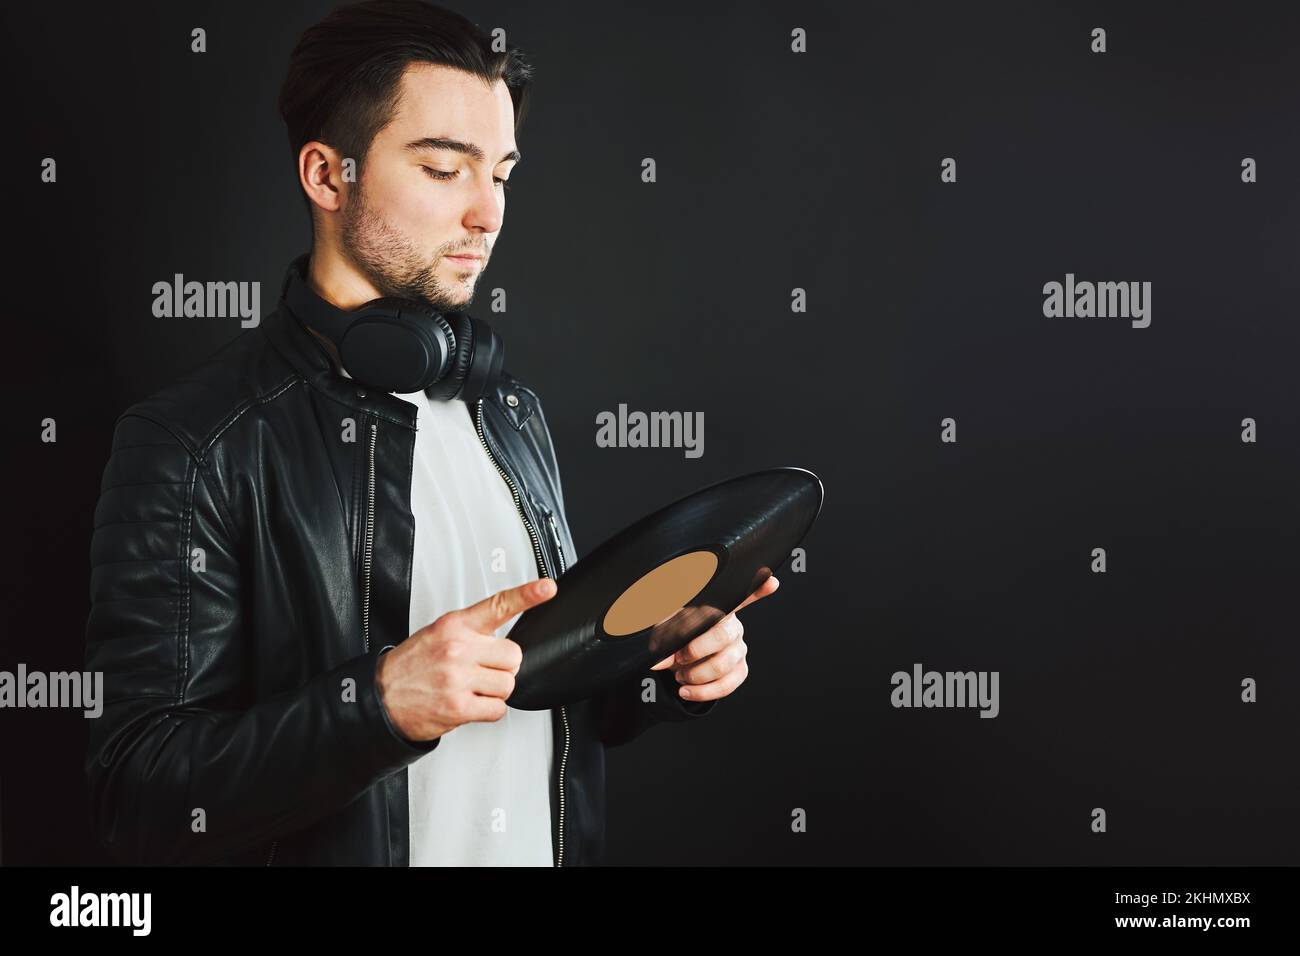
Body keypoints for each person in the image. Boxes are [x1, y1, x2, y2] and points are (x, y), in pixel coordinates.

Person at [84, 0, 777, 866]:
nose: (487, 213)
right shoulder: (194, 442)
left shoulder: (507, 411)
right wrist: (374, 706)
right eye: (446, 170)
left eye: (503, 174)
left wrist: (662, 670)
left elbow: (549, 694)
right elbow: (140, 794)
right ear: (328, 175)